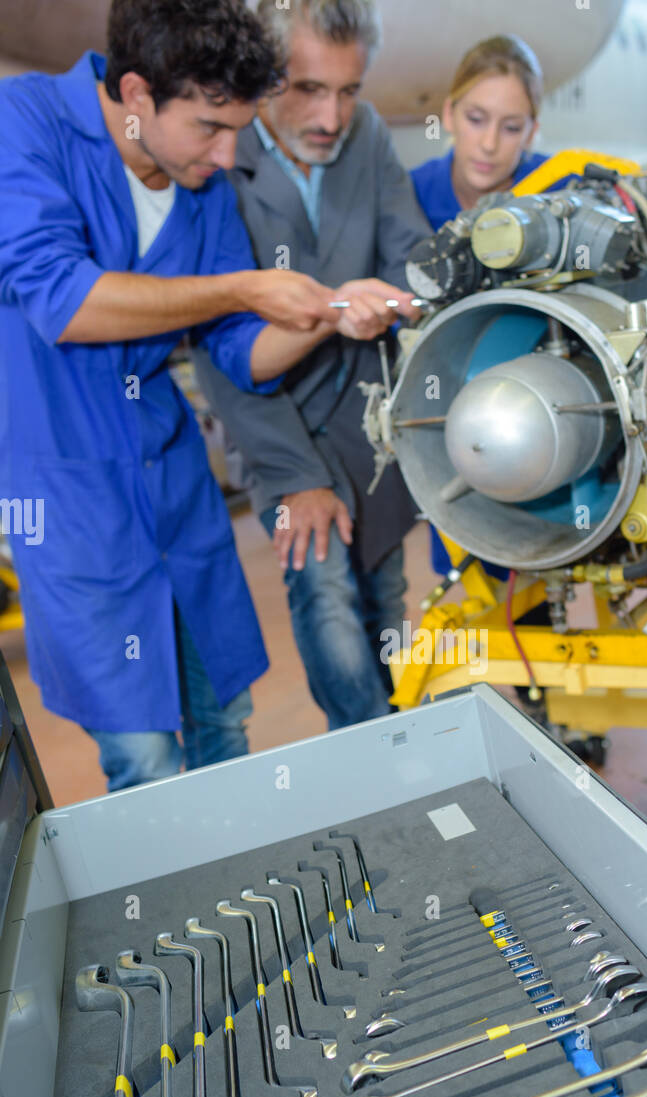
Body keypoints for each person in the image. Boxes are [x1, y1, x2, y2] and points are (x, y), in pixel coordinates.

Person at [0, 0, 390, 792]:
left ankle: (235, 908)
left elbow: (240, 353)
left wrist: (326, 313)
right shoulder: (24, 124)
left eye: (239, 127)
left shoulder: (202, 186)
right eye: (210, 126)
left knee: (222, 720)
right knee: (142, 756)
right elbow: (64, 302)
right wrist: (244, 287)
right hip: (70, 495)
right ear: (138, 94)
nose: (228, 151)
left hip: (176, 483)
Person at [191, 0, 430, 732]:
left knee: (383, 593)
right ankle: (374, 758)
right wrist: (298, 480)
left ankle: (382, 742)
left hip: (364, 415)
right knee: (324, 587)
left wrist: (396, 300)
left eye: (349, 91)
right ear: (264, 77)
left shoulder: (366, 143)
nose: (331, 115)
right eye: (307, 89)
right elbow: (220, 345)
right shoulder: (220, 162)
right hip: (273, 421)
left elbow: (410, 253)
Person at [411, 34, 571, 576]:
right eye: (476, 119)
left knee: (543, 562)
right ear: (449, 113)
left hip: (546, 413)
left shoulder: (559, 192)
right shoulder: (409, 197)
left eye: (511, 128)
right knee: (469, 560)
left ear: (533, 131)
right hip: (444, 418)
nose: (488, 145)